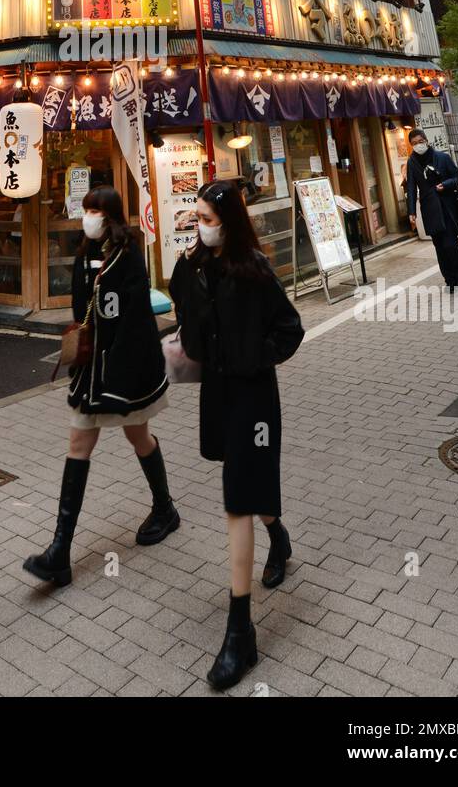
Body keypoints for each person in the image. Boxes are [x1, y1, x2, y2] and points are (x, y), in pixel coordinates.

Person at [170, 181, 304, 691]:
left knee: (236, 501)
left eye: (205, 216)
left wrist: (256, 356)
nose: (199, 224)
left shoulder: (256, 270)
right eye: (195, 216)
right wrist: (186, 265)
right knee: (248, 493)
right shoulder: (198, 268)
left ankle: (239, 630)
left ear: (227, 220)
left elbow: (291, 329)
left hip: (254, 398)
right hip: (219, 395)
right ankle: (278, 534)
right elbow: (189, 327)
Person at [23, 186, 178, 588]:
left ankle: (165, 508)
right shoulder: (84, 253)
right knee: (78, 447)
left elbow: (136, 322)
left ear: (111, 216)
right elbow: (81, 308)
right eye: (86, 209)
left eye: (95, 210)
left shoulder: (127, 259)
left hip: (124, 375)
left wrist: (123, 373)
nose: (87, 217)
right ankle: (60, 551)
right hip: (90, 374)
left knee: (138, 436)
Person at [406, 129, 458, 293]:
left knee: (451, 245)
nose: (418, 145)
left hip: (446, 208)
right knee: (440, 248)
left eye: (420, 141)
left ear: (426, 140)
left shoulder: (442, 158)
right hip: (429, 210)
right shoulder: (412, 163)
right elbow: (411, 188)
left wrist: (445, 185)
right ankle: (450, 281)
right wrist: (411, 211)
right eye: (414, 144)